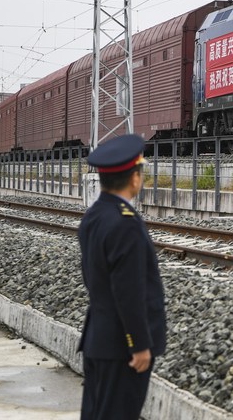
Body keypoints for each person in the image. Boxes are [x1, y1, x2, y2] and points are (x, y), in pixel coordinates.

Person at [78, 134, 167, 420]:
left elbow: (93, 280)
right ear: (134, 178)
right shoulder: (124, 223)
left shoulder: (94, 216)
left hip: (98, 340)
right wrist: (139, 343)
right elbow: (128, 292)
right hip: (121, 349)